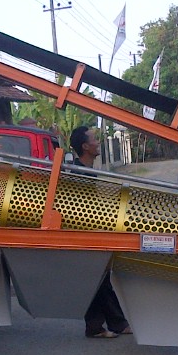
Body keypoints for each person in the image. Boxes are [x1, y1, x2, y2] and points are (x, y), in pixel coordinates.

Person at [69, 125, 132, 339]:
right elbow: (79, 208)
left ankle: (100, 326)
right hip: (83, 233)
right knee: (99, 277)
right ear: (85, 146)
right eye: (94, 140)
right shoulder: (79, 173)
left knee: (98, 278)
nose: (98, 143)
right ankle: (111, 324)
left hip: (89, 231)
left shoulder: (86, 170)